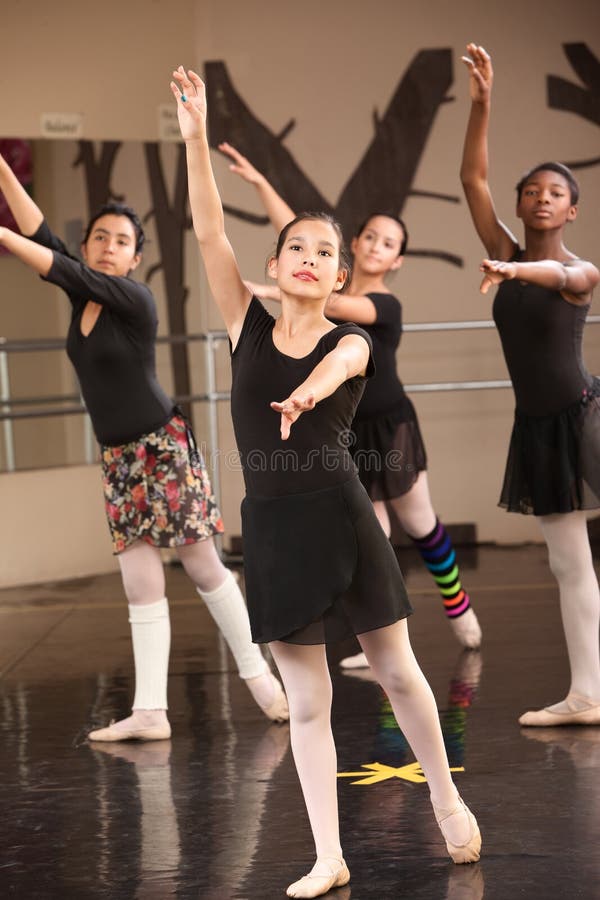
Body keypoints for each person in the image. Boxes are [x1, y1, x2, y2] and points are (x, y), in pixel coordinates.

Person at [172, 65, 481, 898]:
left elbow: (345, 358)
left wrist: (307, 390)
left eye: (324, 253)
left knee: (399, 669)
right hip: (273, 528)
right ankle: (326, 854)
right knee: (306, 704)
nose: (309, 259)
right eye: (296, 248)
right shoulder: (245, 323)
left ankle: (448, 801)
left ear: (341, 277)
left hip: (342, 516)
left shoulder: (356, 343)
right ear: (274, 263)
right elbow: (207, 231)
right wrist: (195, 137)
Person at [0, 153, 288, 741]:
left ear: (136, 257)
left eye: (122, 240)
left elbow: (50, 260)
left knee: (203, 564)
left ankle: (261, 677)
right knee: (139, 581)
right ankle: (151, 712)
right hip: (119, 458)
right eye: (99, 237)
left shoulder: (136, 300)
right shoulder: (82, 297)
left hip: (162, 446)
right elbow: (40, 236)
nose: (109, 246)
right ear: (88, 245)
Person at [217, 142, 482, 665]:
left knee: (420, 523)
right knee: (372, 528)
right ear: (355, 244)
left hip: (390, 426)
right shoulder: (319, 266)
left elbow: (333, 298)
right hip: (342, 429)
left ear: (397, 258)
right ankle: (375, 630)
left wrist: (278, 290)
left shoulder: (382, 303)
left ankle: (459, 607)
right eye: (372, 237)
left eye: (390, 243)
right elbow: (298, 235)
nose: (378, 246)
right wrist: (259, 183)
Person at [460, 44, 600, 726]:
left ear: (571, 211)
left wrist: (512, 273)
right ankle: (587, 694)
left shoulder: (581, 270)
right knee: (569, 566)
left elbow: (557, 280)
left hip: (582, 418)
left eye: (556, 193)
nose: (541, 198)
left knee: (575, 564)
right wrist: (483, 104)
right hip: (538, 427)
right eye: (531, 190)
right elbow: (471, 180)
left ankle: (589, 692)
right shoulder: (506, 249)